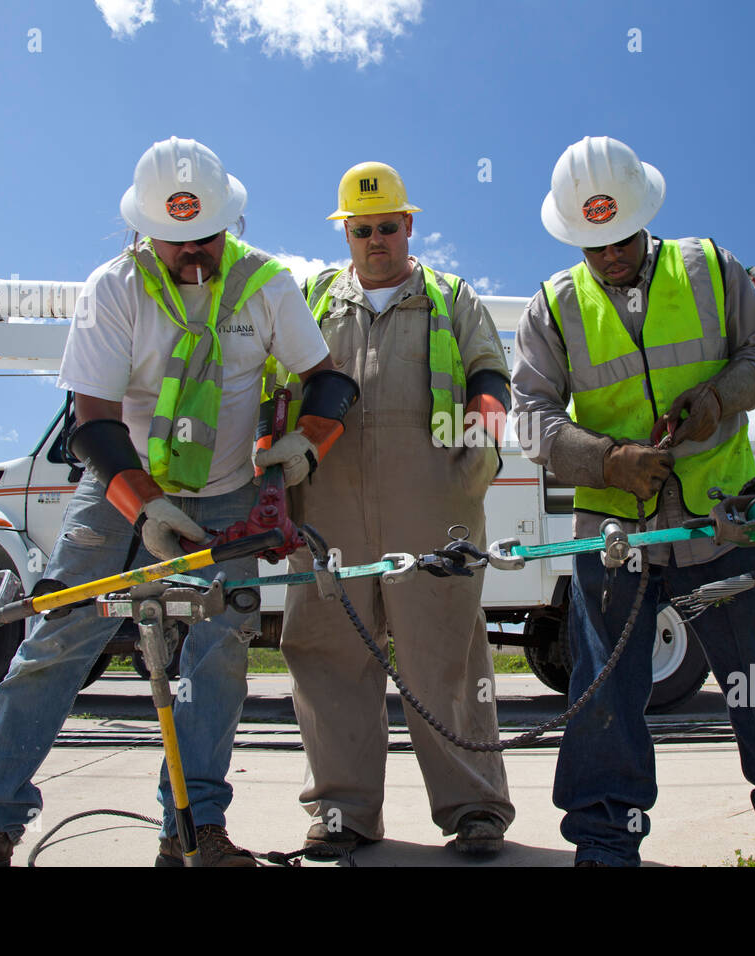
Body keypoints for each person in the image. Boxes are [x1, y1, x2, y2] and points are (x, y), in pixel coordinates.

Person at [0, 136, 355, 867]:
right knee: (58, 642)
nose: (192, 254)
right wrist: (144, 508)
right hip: (119, 495)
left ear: (231, 223)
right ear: (144, 229)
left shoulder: (268, 285)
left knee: (216, 663)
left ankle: (195, 833)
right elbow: (91, 419)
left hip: (230, 498)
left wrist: (308, 444)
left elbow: (330, 382)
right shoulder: (114, 287)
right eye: (175, 240)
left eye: (205, 238)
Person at [512, 136, 755, 867]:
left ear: (644, 216)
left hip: (721, 522)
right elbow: (530, 415)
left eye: (620, 239)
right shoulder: (555, 304)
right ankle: (605, 844)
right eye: (593, 246)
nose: (610, 256)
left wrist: (718, 399)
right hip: (614, 537)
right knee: (604, 703)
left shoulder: (708, 268)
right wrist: (605, 460)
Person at [274, 161, 515, 857]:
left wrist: (483, 449)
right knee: (328, 655)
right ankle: (342, 811)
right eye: (361, 229)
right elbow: (276, 385)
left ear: (409, 225)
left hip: (434, 496)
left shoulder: (449, 295)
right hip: (328, 504)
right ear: (345, 232)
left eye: (387, 227)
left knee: (445, 658)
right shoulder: (313, 295)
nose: (375, 240)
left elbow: (488, 376)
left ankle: (474, 811)